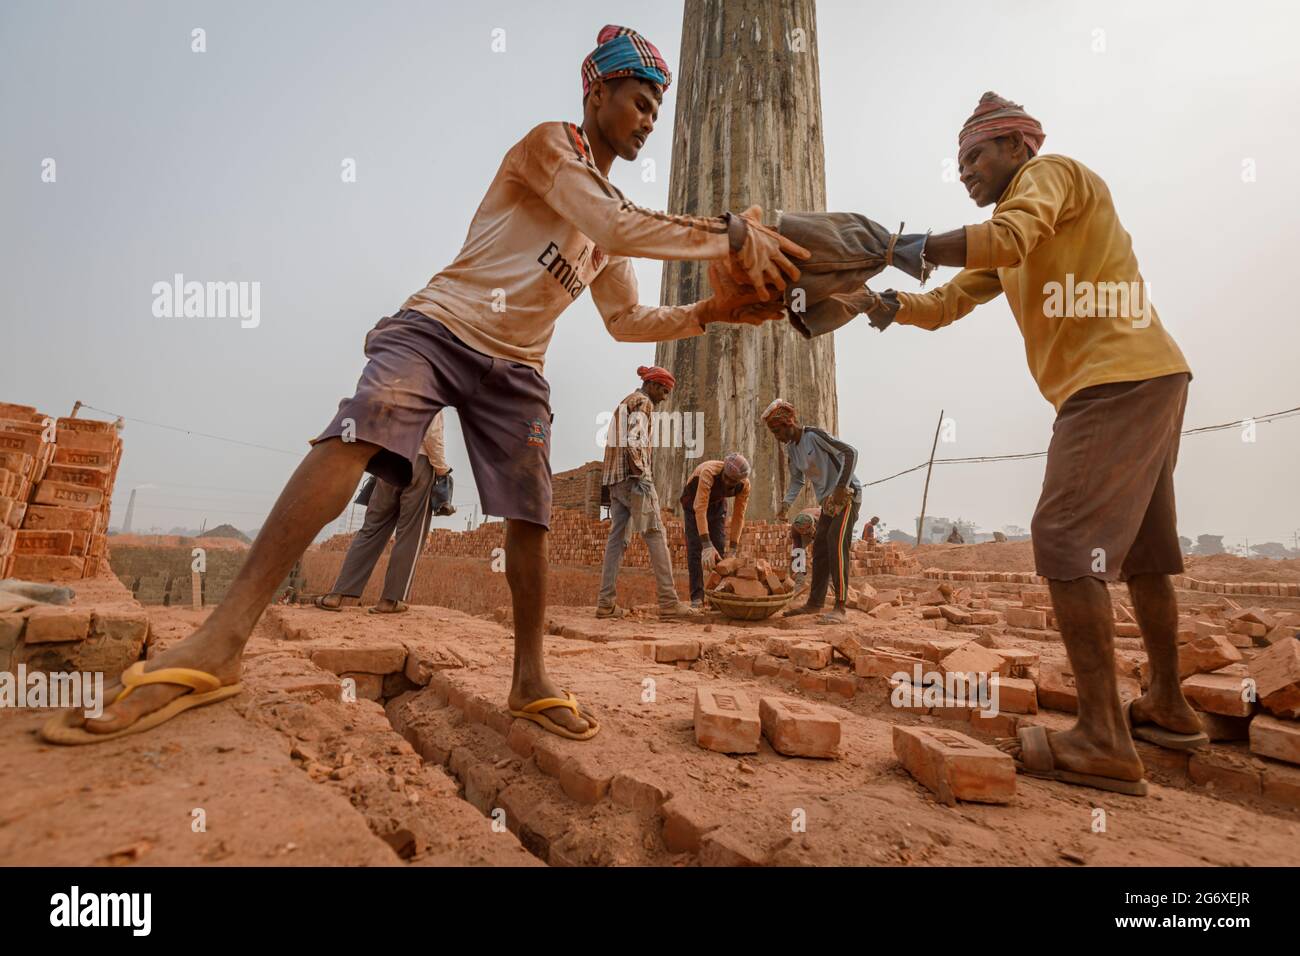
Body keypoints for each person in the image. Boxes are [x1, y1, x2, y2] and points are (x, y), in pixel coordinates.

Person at [48, 24, 809, 747]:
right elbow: (615, 224)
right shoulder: (551, 146)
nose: (648, 117)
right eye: (638, 98)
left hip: (517, 368)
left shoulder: (612, 224)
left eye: (656, 106)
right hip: (440, 328)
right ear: (595, 93)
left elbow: (628, 317)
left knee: (531, 517)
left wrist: (713, 311)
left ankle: (531, 677)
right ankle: (219, 640)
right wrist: (730, 233)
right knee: (361, 429)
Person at [845, 92, 1199, 794]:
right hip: (1151, 372)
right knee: (1146, 553)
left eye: (975, 156)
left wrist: (898, 248)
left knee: (1064, 534)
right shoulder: (1010, 233)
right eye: (959, 164)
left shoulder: (1051, 176)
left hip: (1111, 380)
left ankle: (1103, 739)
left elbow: (1001, 240)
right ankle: (1167, 704)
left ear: (1018, 147)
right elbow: (947, 302)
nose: (966, 174)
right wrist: (875, 301)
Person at [313, 412, 452, 614]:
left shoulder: (391, 387)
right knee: (410, 534)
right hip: (419, 462)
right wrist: (441, 471)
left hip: (389, 460)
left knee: (371, 529)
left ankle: (336, 595)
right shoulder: (431, 391)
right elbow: (433, 436)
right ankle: (390, 601)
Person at [596, 365, 696, 620]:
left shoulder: (625, 401)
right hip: (633, 480)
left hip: (614, 482)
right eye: (663, 390)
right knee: (655, 534)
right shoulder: (643, 403)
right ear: (652, 385)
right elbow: (634, 440)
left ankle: (605, 603)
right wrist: (641, 475)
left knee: (617, 541)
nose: (664, 397)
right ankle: (669, 602)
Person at [764, 399, 861, 624]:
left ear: (789, 423)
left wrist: (840, 487)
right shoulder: (792, 450)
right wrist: (786, 504)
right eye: (773, 432)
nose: (777, 437)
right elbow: (797, 481)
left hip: (847, 497)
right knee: (819, 549)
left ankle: (840, 606)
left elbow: (851, 452)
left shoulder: (814, 436)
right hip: (827, 503)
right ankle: (814, 603)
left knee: (836, 544)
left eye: (777, 431)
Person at [680, 454, 751, 607]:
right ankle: (697, 598)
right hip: (693, 503)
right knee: (695, 549)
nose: (727, 482)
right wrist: (706, 544)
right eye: (725, 477)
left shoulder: (744, 485)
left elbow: (739, 516)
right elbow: (700, 509)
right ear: (723, 470)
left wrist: (733, 547)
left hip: (717, 504)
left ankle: (717, 598)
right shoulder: (708, 472)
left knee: (719, 547)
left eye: (732, 481)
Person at [788, 507, 820, 586]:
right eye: (801, 530)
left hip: (819, 526)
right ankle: (798, 578)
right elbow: (797, 548)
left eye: (804, 530)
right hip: (808, 527)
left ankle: (828, 579)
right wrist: (799, 571)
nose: (803, 532)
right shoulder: (795, 528)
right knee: (798, 552)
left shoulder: (822, 521)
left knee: (823, 552)